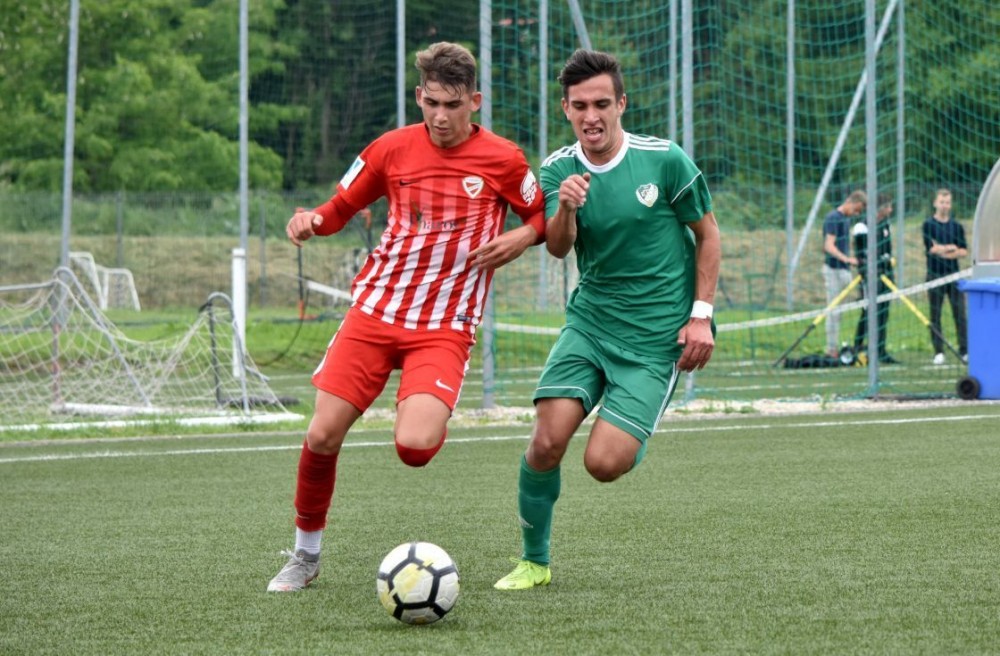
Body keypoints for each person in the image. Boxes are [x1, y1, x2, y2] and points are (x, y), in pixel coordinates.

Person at [267, 41, 546, 592]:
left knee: (415, 447)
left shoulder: (505, 159)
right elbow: (338, 209)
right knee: (322, 433)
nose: (440, 116)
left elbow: (541, 215)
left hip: (444, 326)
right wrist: (310, 221)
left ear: (475, 102)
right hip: (376, 311)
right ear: (419, 96)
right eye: (431, 102)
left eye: (453, 104)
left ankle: (425, 406)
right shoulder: (389, 149)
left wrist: (523, 236)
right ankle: (305, 555)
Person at [493, 49, 721, 591]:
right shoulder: (558, 169)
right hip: (591, 325)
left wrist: (701, 316)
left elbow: (708, 234)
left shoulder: (664, 160)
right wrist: (566, 208)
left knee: (603, 463)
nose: (590, 116)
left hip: (656, 339)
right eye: (579, 106)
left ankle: (633, 423)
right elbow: (557, 248)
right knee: (546, 442)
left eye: (601, 104)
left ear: (621, 104)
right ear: (566, 110)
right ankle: (533, 562)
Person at [922, 188, 968, 365]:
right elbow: (932, 249)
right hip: (934, 275)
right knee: (935, 315)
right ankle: (938, 351)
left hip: (953, 276)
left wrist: (945, 251)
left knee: (960, 314)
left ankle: (964, 350)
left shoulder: (957, 226)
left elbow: (963, 251)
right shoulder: (928, 225)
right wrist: (950, 248)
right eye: (942, 202)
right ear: (935, 203)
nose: (944, 205)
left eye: (947, 202)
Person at [851, 194, 897, 364]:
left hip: (885, 277)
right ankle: (857, 348)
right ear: (880, 208)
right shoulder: (861, 227)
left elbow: (887, 251)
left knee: (883, 313)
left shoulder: (885, 225)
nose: (890, 210)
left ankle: (880, 350)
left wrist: (887, 267)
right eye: (888, 206)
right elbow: (861, 255)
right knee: (868, 312)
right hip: (869, 278)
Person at [822, 190, 866, 358]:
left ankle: (842, 344)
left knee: (841, 311)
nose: (857, 214)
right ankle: (831, 348)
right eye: (857, 209)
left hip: (844, 270)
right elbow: (829, 246)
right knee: (833, 310)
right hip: (833, 269)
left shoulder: (846, 221)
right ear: (851, 202)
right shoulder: (833, 218)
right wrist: (847, 259)